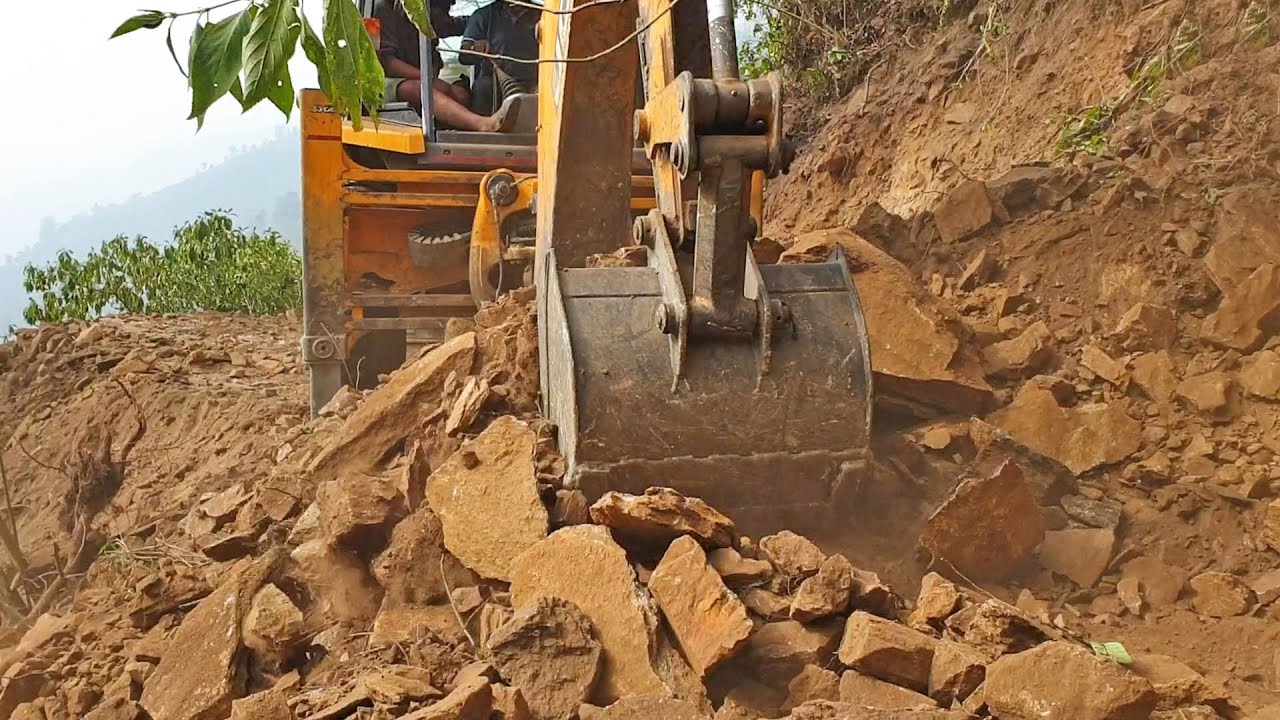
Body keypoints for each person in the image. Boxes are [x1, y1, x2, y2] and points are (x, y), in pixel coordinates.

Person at [373, 0, 524, 132]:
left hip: (423, 78)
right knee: (421, 89)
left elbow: (459, 23)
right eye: (444, 10)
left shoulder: (430, 21)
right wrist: (429, 79)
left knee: (461, 95)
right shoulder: (383, 9)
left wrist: (492, 20)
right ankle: (484, 124)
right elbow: (387, 63)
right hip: (382, 83)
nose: (446, 16)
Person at [460, 0, 540, 114]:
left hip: (537, 84)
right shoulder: (483, 15)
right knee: (483, 87)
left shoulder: (544, 14)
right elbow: (463, 56)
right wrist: (474, 48)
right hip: (495, 85)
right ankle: (485, 124)